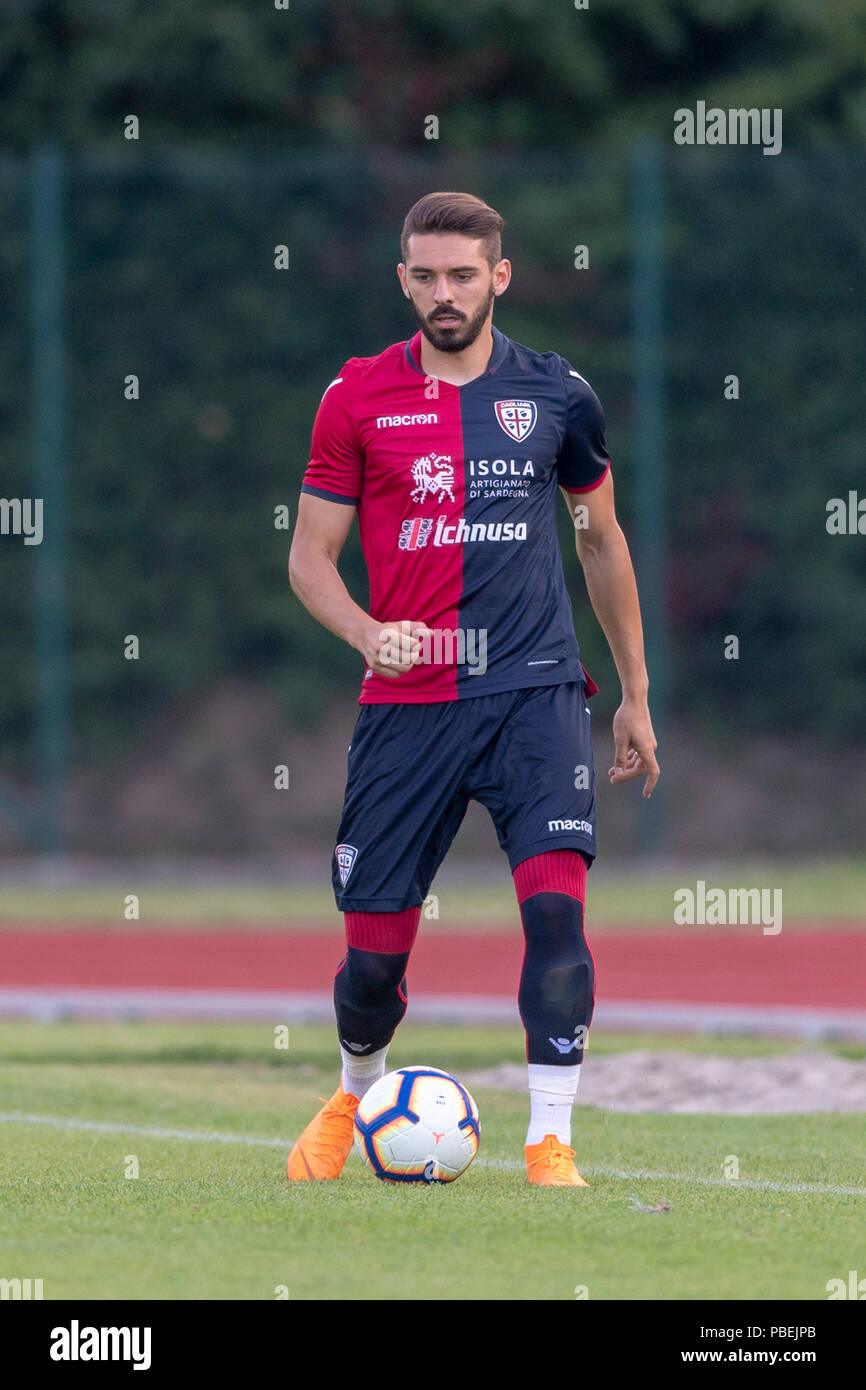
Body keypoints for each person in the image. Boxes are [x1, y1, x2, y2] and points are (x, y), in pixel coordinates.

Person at [287, 191, 659, 1186]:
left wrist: (632, 690)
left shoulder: (557, 395)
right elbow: (309, 560)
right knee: (371, 958)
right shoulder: (354, 397)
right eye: (425, 275)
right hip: (407, 710)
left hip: (536, 692)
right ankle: (352, 1088)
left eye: (462, 274)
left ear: (499, 276)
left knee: (555, 916)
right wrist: (370, 633)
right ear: (401, 278)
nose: (443, 293)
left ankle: (550, 1141)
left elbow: (600, 540)